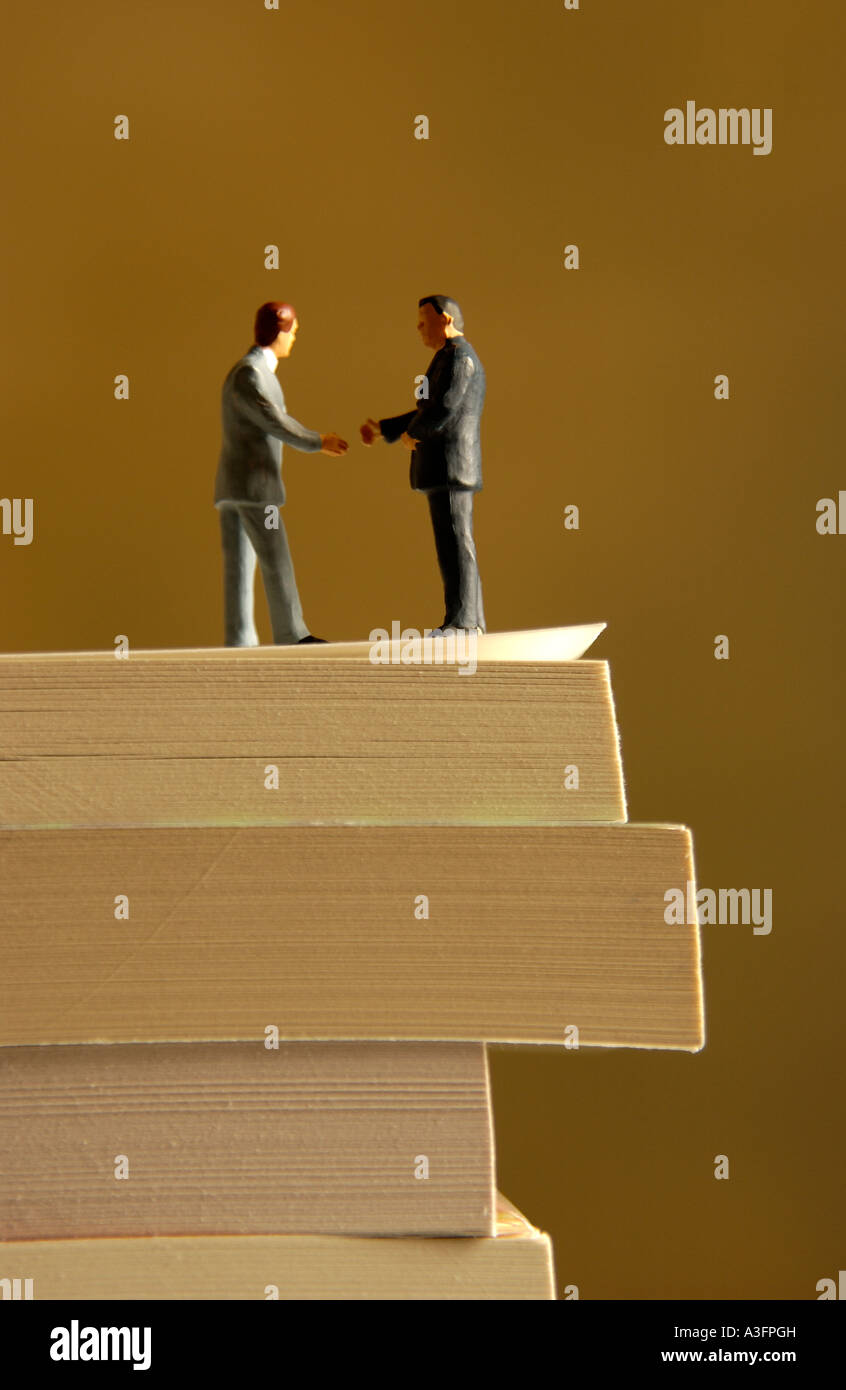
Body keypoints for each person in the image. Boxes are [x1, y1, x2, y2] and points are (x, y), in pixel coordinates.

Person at [214, 301, 347, 646]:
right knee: (275, 558)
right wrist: (317, 440)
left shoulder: (252, 372)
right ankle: (291, 634)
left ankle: (240, 639)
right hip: (254, 489)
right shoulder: (250, 374)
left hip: (237, 488)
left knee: (240, 568)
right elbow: (275, 421)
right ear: (280, 331)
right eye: (294, 331)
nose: (294, 338)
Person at [360, 295, 486, 633]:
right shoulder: (447, 358)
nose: (417, 329)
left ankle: (463, 622)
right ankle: (468, 620)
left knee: (456, 544)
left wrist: (411, 435)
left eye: (422, 321)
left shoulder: (460, 358)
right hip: (445, 468)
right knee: (454, 545)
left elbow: (444, 408)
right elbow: (427, 410)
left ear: (444, 320)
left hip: (451, 467)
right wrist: (386, 428)